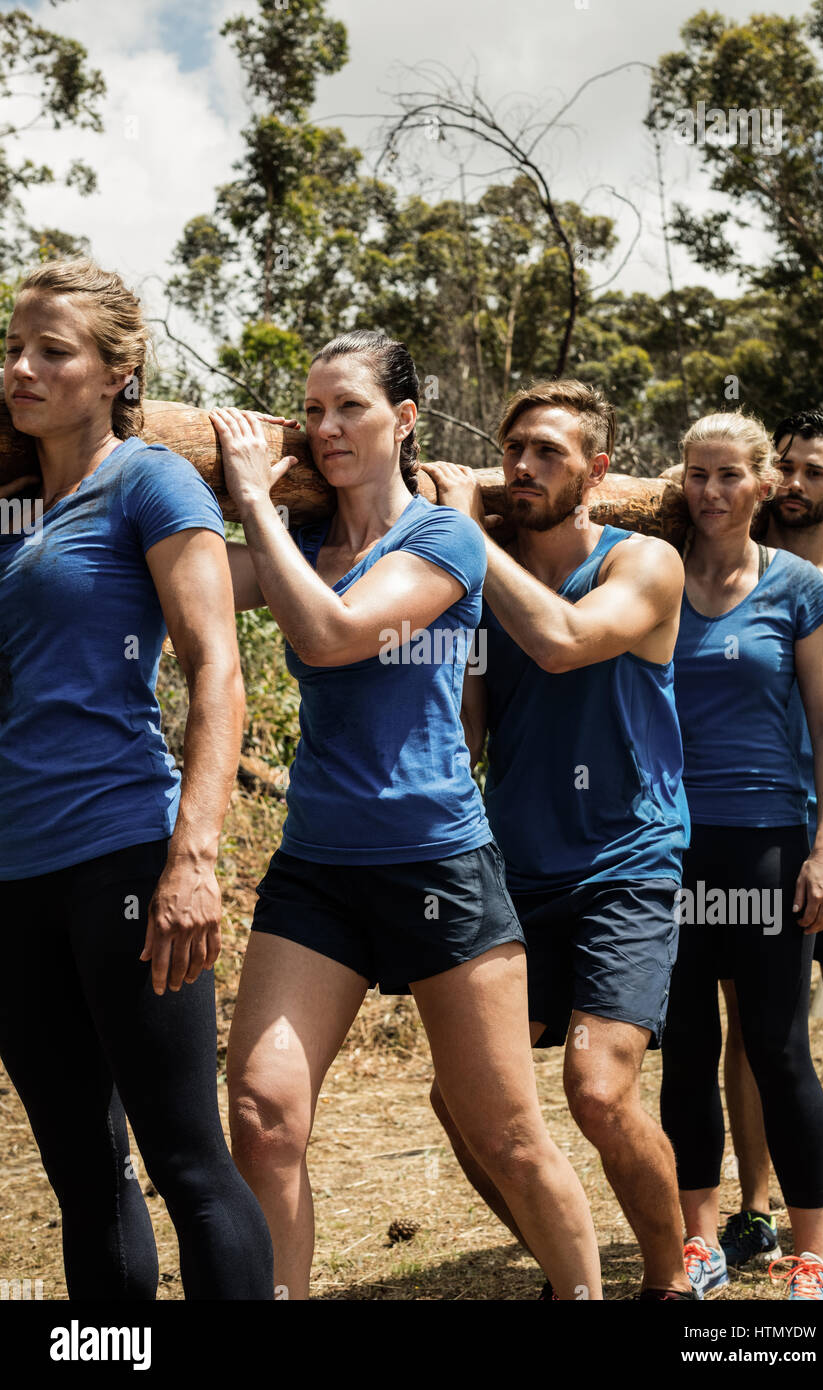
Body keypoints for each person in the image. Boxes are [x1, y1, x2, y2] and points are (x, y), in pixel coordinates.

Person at [213, 331, 602, 1301]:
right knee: (262, 1116)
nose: (326, 426)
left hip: (434, 866)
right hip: (316, 869)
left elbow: (334, 631)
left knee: (505, 1137)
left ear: (404, 418)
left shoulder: (443, 539)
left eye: (348, 405)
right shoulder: (298, 542)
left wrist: (253, 497)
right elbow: (183, 583)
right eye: (311, 411)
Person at [0, 258, 274, 1299]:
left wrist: (193, 859)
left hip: (123, 846)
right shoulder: (18, 505)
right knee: (83, 1170)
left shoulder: (148, 479)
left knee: (185, 1159)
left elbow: (216, 668)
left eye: (50, 351)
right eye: (13, 346)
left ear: (118, 372)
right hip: (14, 873)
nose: (19, 367)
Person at [423, 378, 696, 1301]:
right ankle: (565, 1269)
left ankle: (668, 1284)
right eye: (515, 451)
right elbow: (469, 720)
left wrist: (468, 531)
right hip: (516, 867)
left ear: (598, 470)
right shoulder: (484, 565)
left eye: (549, 452)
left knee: (598, 1092)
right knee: (460, 1102)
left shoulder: (645, 564)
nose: (525, 467)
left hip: (629, 863)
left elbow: (565, 642)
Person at [660, 410, 823, 1300]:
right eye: (697, 475)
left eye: (729, 475)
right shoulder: (650, 575)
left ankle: (814, 1252)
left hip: (769, 845)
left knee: (775, 1046)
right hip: (665, 845)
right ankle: (700, 1242)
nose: (710, 493)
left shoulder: (800, 590)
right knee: (689, 1046)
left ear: (763, 484)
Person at [718, 410, 823, 1268]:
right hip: (750, 833)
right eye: (789, 468)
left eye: (820, 473)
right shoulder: (718, 564)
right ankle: (754, 1207)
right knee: (755, 1024)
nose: (800, 485)